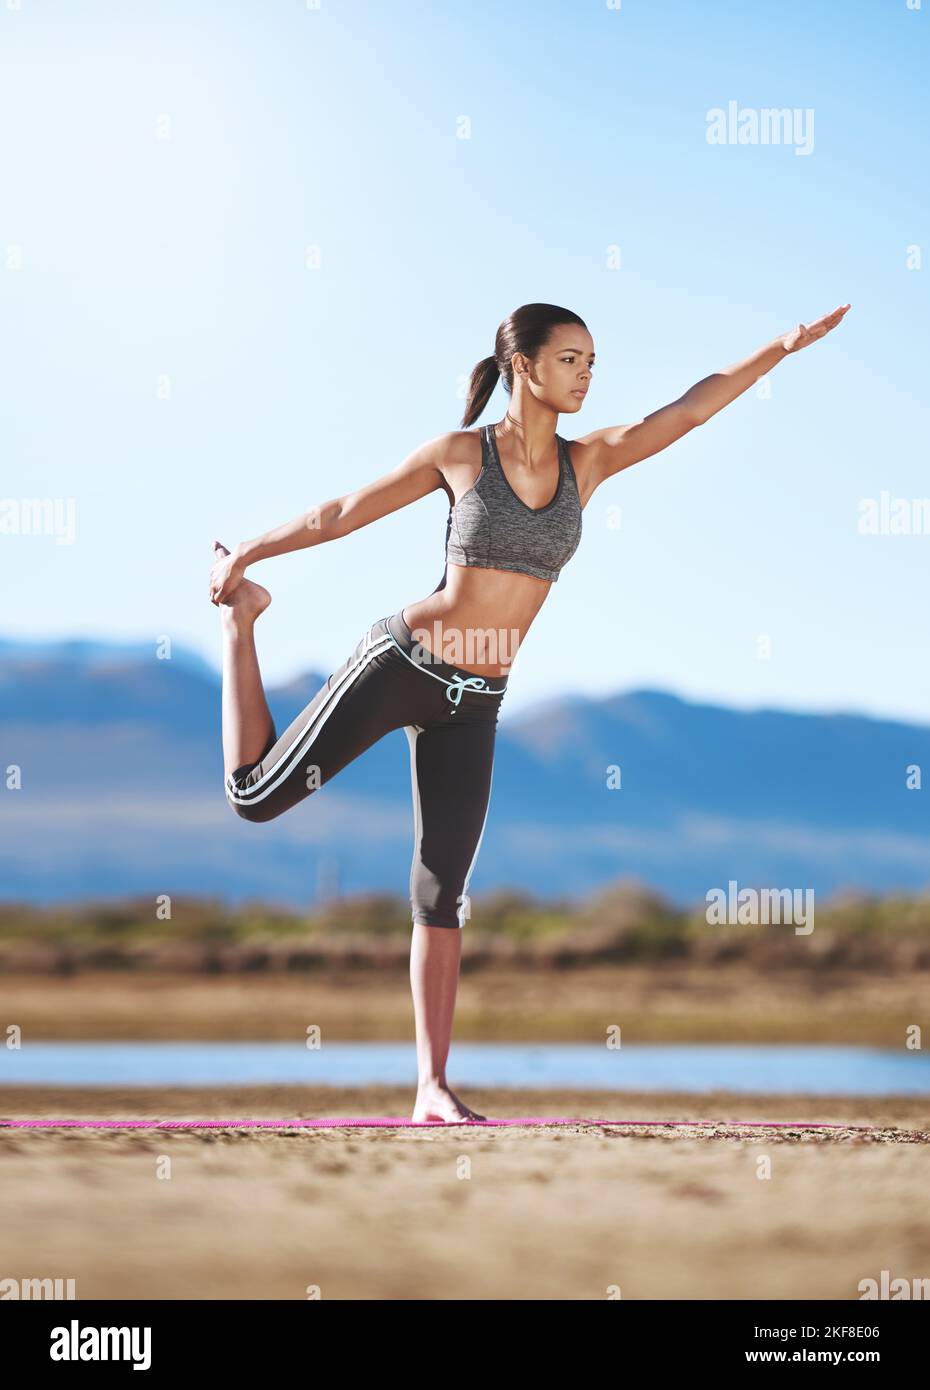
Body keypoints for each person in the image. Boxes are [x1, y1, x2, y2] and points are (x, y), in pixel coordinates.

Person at [208, 299, 851, 1122]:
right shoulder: (459, 455)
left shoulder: (591, 464)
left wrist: (780, 348)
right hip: (405, 662)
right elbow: (342, 511)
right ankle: (242, 627)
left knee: (442, 893)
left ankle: (432, 1087)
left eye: (593, 362)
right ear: (525, 365)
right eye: (573, 359)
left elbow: (688, 411)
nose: (588, 375)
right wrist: (252, 556)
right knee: (255, 799)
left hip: (478, 702)